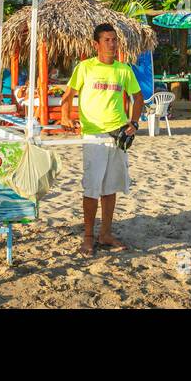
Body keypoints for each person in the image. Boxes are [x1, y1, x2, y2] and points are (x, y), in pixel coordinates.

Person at [63, 24, 144, 255]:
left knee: (111, 187)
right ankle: (88, 236)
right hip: (94, 136)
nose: (112, 44)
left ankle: (105, 233)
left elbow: (138, 97)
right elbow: (68, 95)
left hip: (118, 134)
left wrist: (134, 123)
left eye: (114, 40)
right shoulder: (85, 68)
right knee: (92, 188)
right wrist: (66, 116)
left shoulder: (124, 70)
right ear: (96, 44)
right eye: (107, 40)